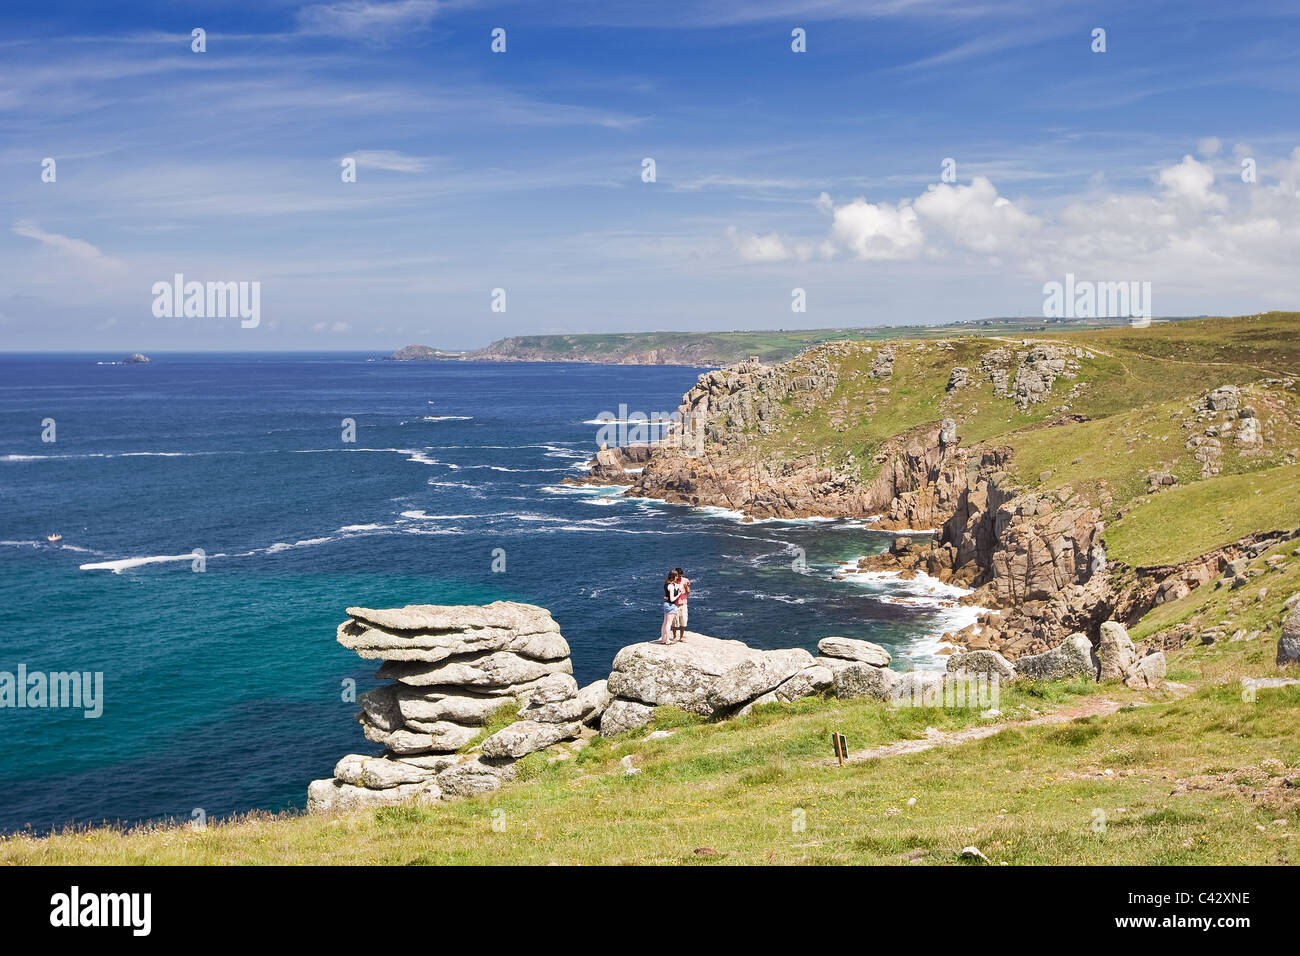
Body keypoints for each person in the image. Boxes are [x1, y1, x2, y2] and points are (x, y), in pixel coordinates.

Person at [656, 570, 682, 644]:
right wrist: (679, 594)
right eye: (676, 576)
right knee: (668, 623)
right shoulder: (671, 586)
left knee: (665, 622)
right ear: (674, 576)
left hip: (666, 604)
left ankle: (663, 639)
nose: (677, 577)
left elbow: (667, 596)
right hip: (670, 605)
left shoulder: (666, 583)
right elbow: (672, 599)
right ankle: (667, 640)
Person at [672, 567, 691, 642]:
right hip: (675, 604)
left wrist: (686, 588)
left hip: (683, 603)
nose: (680, 577)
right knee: (675, 621)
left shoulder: (685, 581)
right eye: (678, 576)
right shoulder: (672, 581)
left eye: (681, 576)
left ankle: (681, 637)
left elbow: (688, 593)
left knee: (683, 620)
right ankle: (674, 637)